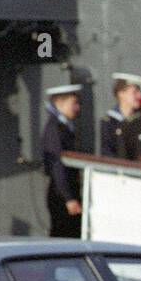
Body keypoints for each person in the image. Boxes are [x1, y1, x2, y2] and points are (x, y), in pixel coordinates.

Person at [40, 84, 83, 239]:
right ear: (61, 103)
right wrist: (68, 198)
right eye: (74, 103)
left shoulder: (65, 127)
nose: (77, 108)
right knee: (63, 236)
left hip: (68, 190)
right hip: (61, 194)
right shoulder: (55, 129)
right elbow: (57, 165)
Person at [99, 72, 141, 158]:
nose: (140, 96)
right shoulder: (109, 122)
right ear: (121, 93)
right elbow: (107, 152)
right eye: (134, 92)